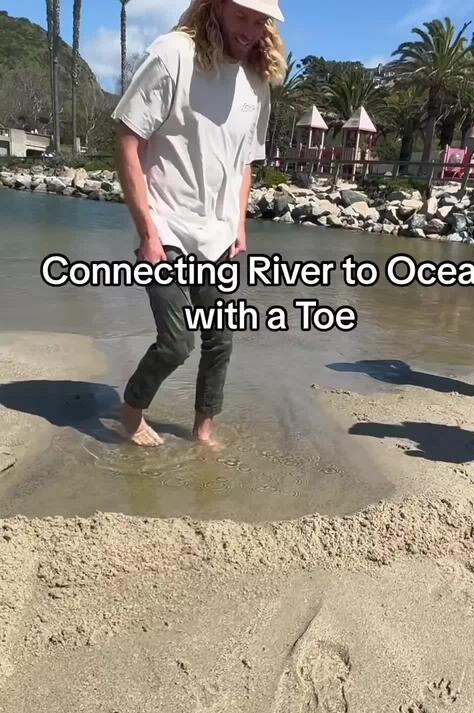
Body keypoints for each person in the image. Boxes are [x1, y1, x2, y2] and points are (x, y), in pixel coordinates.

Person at [111, 0, 286, 446]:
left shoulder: (256, 79)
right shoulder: (173, 55)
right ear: (215, 8)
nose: (250, 30)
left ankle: (203, 430)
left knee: (221, 340)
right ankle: (131, 412)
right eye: (241, 16)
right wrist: (148, 234)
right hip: (165, 226)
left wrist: (239, 225)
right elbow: (129, 141)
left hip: (219, 236)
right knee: (176, 342)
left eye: (259, 20)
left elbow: (245, 161)